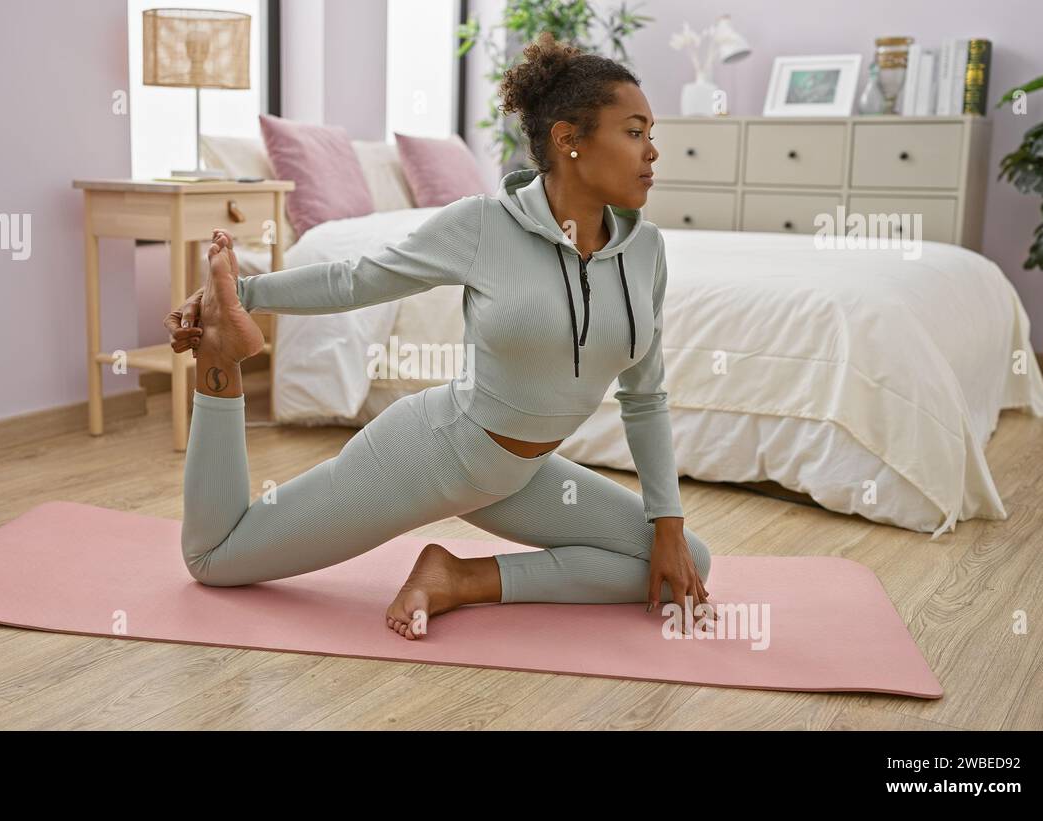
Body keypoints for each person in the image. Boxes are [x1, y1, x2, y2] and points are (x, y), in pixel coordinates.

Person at [165, 32, 712, 641]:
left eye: (650, 134)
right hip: (429, 456)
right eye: (634, 132)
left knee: (687, 557)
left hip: (520, 479)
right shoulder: (482, 226)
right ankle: (219, 358)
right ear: (569, 140)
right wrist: (243, 295)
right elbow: (359, 280)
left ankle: (458, 578)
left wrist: (666, 521)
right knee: (215, 560)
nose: (653, 152)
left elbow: (645, 397)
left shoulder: (646, 252)